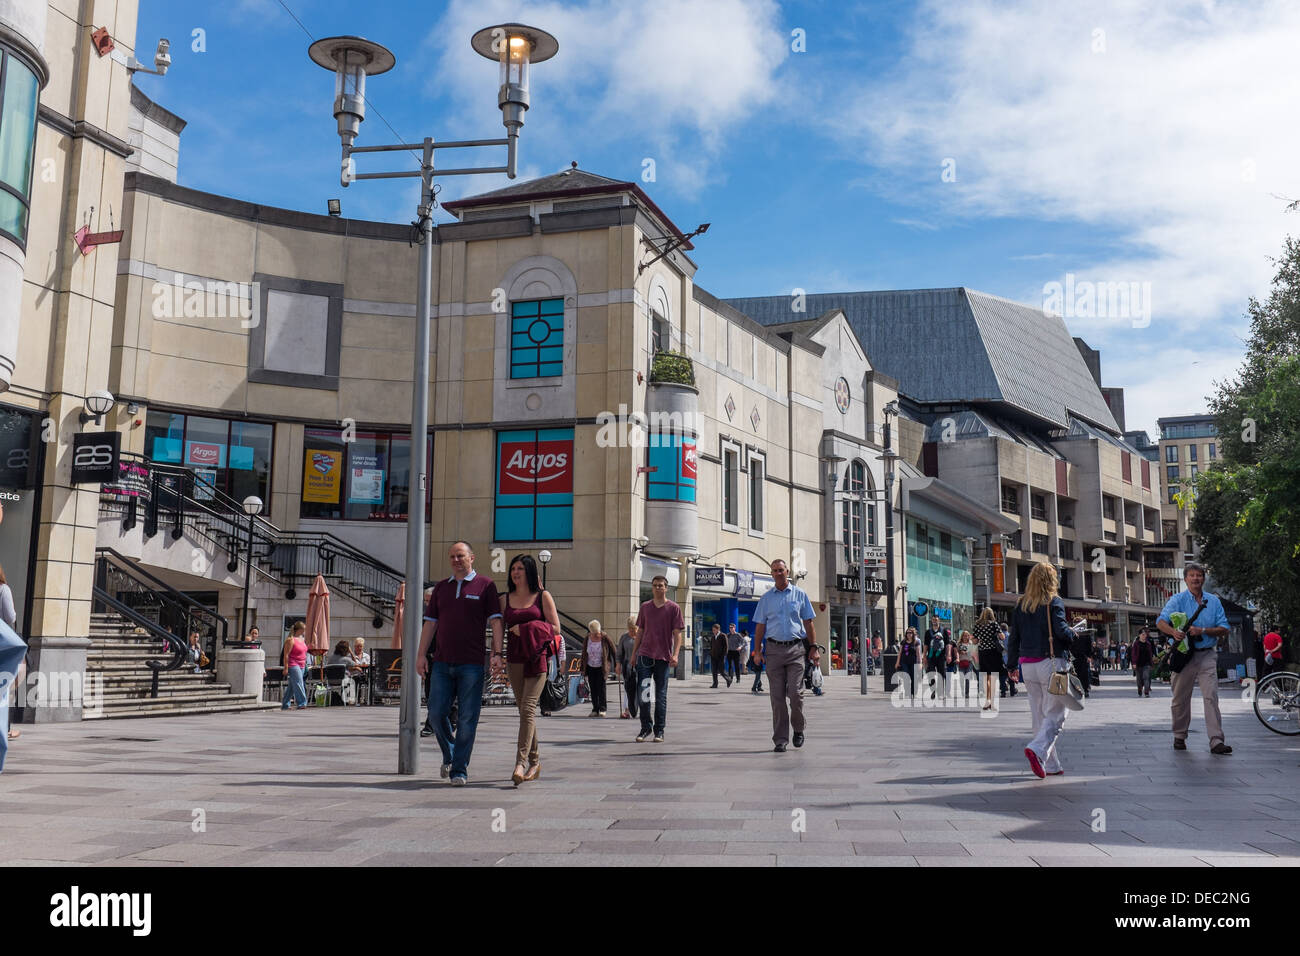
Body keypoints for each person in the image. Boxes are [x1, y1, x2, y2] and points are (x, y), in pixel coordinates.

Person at [416, 541, 504, 787]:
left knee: (467, 718)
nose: (456, 559)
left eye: (461, 555)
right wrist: (421, 654)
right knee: (435, 712)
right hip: (442, 662)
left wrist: (497, 653)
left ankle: (459, 770)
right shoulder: (441, 588)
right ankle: (452, 754)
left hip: (472, 664)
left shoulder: (486, 585)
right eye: (452, 556)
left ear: (472, 557)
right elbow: (430, 623)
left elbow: (496, 622)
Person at [1007, 562, 1082, 778]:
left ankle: (1051, 765)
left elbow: (1014, 639)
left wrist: (1012, 665)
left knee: (1039, 714)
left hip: (1027, 665)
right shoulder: (1053, 602)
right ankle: (1037, 750)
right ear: (1052, 580)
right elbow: (1061, 632)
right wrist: (1072, 634)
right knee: (1058, 713)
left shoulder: (1021, 603)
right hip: (1051, 664)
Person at [1158, 562, 1232, 755]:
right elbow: (1161, 621)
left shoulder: (1213, 602)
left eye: (1199, 575)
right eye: (1191, 575)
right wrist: (1174, 632)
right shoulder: (1177, 600)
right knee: (1180, 698)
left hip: (1207, 653)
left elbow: (1224, 628)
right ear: (1185, 579)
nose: (1195, 578)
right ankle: (1179, 735)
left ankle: (1216, 740)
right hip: (1184, 655)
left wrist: (1203, 630)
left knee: (1211, 696)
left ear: (1203, 578)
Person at [501, 554, 559, 785]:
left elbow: (556, 628)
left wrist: (525, 629)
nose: (515, 572)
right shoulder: (505, 598)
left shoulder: (542, 596)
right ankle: (535, 762)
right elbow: (496, 624)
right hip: (514, 659)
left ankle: (520, 763)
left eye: (520, 569)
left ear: (530, 572)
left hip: (537, 660)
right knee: (525, 712)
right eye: (513, 568)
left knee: (527, 709)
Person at [752, 558, 819, 752]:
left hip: (796, 649)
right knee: (777, 697)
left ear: (787, 571)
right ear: (771, 574)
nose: (778, 573)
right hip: (773, 650)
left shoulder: (800, 594)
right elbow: (760, 626)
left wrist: (813, 647)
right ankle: (780, 739)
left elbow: (808, 623)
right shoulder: (766, 598)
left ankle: (798, 728)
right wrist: (757, 651)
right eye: (774, 571)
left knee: (796, 695)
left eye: (781, 570)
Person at [632, 575, 685, 743]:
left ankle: (659, 730)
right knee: (644, 695)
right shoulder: (645, 607)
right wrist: (634, 654)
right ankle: (645, 727)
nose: (657, 588)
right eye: (655, 585)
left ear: (666, 588)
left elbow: (678, 635)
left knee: (661, 695)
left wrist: (675, 654)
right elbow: (640, 631)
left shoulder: (673, 608)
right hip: (645, 656)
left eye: (661, 585)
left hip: (663, 657)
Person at [581, 620, 617, 717]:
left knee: (601, 688)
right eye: (594, 633)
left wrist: (617, 664)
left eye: (597, 633)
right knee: (593, 688)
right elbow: (584, 653)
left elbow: (614, 651)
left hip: (602, 667)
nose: (596, 635)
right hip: (590, 666)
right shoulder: (587, 638)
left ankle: (602, 709)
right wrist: (582, 668)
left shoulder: (605, 638)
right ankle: (595, 709)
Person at [974, 609, 1002, 710]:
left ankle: (987, 700)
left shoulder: (978, 624)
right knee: (993, 678)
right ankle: (993, 703)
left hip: (983, 652)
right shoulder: (994, 624)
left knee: (986, 678)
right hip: (993, 652)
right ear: (991, 614)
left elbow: (975, 641)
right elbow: (1002, 637)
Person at [281, 621, 308, 710]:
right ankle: (302, 702)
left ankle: (285, 703)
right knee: (298, 683)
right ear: (299, 630)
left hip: (302, 664)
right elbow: (286, 655)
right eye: (303, 629)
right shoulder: (290, 640)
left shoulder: (302, 639)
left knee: (292, 686)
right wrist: (286, 667)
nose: (305, 631)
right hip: (293, 664)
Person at [617, 617, 638, 719]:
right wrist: (618, 664)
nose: (632, 631)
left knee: (639, 688)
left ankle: (638, 709)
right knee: (628, 689)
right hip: (628, 667)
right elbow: (620, 653)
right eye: (630, 629)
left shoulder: (642, 637)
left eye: (634, 629)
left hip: (640, 666)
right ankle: (627, 709)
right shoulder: (624, 638)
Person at [894, 628, 921, 697]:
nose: (909, 634)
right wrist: (897, 662)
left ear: (913, 634)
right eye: (908, 633)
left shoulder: (916, 642)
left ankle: (914, 692)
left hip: (913, 663)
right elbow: (900, 653)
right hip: (904, 662)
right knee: (906, 677)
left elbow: (918, 654)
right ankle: (907, 692)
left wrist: (920, 663)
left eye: (910, 633)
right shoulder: (903, 642)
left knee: (914, 678)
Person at [1131, 627, 1155, 697]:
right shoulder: (1136, 644)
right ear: (1139, 635)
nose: (1144, 636)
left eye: (1145, 634)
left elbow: (1150, 654)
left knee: (1146, 677)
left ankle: (1146, 692)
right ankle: (1140, 689)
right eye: (1143, 634)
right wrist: (1134, 663)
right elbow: (1133, 654)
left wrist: (1151, 663)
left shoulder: (1148, 644)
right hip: (1138, 664)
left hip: (1146, 664)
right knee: (1139, 680)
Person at [709, 623, 728, 688]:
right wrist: (711, 653)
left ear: (718, 629)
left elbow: (726, 646)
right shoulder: (713, 637)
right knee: (714, 671)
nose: (713, 631)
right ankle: (715, 684)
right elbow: (711, 646)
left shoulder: (723, 635)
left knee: (721, 671)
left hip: (720, 656)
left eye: (714, 630)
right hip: (713, 656)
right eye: (712, 630)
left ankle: (728, 679)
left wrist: (724, 655)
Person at [726, 624, 745, 689]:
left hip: (736, 652)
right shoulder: (728, 635)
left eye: (732, 627)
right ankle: (730, 678)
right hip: (729, 652)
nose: (731, 629)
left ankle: (738, 678)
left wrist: (740, 647)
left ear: (735, 628)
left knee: (736, 666)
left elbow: (744, 642)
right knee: (730, 665)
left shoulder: (738, 635)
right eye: (730, 627)